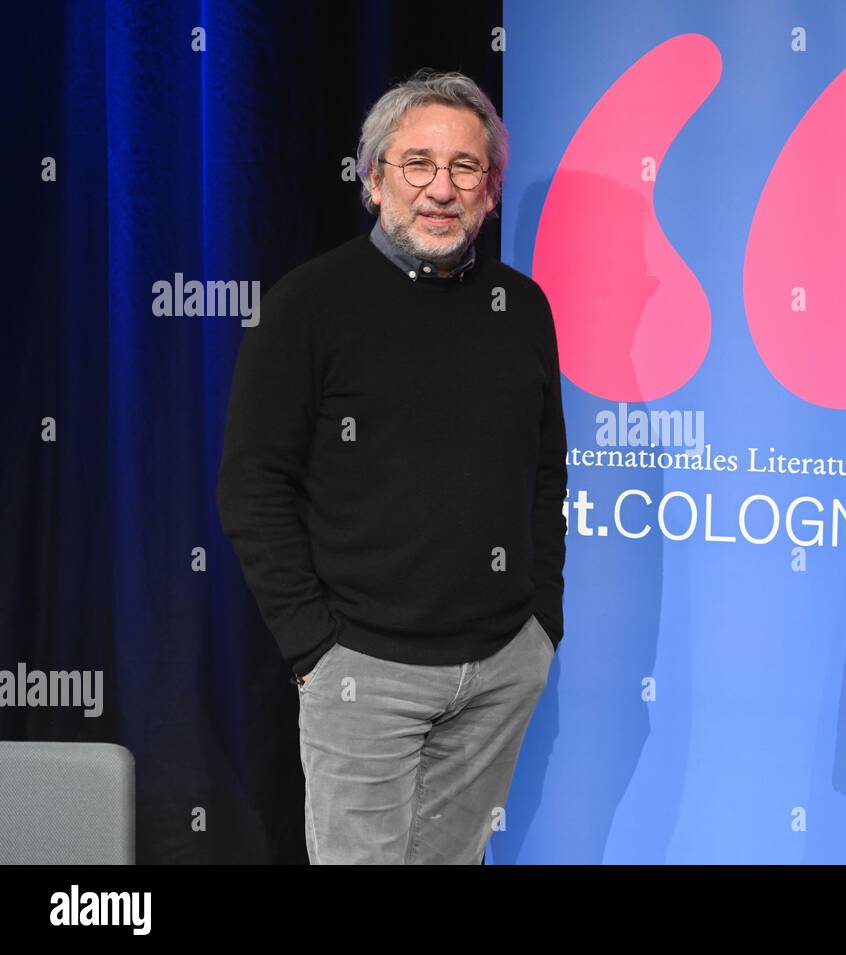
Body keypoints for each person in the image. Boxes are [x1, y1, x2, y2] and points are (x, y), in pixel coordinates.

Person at [216, 69, 567, 864]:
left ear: (491, 189)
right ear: (374, 180)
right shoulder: (308, 304)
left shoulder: (525, 308)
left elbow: (546, 473)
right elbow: (252, 485)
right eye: (417, 164)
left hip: (501, 668)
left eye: (465, 167)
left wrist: (542, 622)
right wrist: (315, 649)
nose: (440, 188)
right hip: (361, 674)